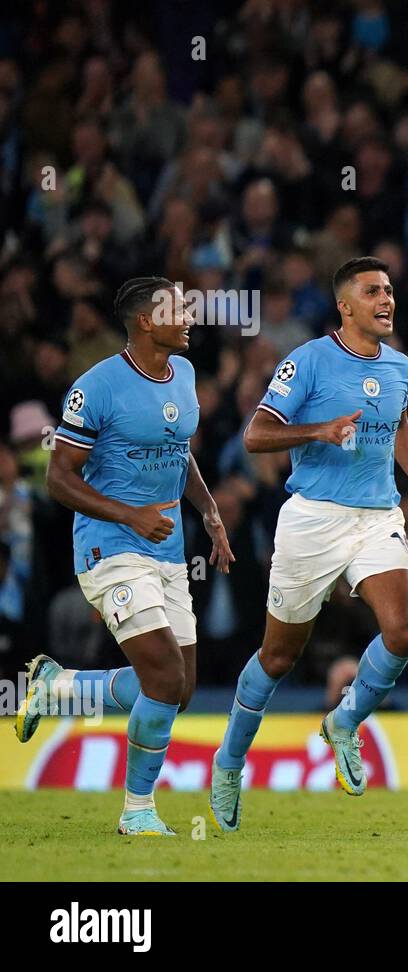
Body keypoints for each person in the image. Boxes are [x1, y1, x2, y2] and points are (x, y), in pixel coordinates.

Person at [208, 257, 408, 833]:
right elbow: (255, 434)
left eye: (390, 290)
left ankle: (344, 721)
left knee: (405, 628)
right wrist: (317, 430)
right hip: (313, 520)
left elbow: (400, 426)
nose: (387, 300)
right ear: (345, 306)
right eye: (373, 292)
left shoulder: (398, 366)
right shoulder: (308, 361)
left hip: (377, 517)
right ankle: (228, 761)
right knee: (278, 657)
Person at [17, 276, 234, 837]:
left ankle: (60, 688)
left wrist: (209, 512)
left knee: (178, 689)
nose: (189, 315)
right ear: (145, 320)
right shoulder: (97, 387)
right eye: (177, 308)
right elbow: (59, 479)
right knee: (162, 676)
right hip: (108, 546)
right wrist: (128, 514)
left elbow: (178, 451)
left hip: (168, 547)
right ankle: (137, 811)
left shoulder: (183, 374)